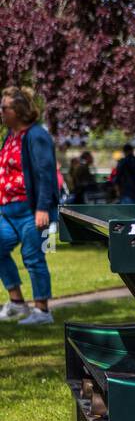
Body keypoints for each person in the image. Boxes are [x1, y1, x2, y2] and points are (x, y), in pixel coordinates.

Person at [0, 86, 58, 325]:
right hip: (7, 209)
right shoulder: (10, 136)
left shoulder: (36, 135)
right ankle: (17, 303)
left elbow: (46, 173)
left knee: (33, 257)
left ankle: (43, 311)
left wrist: (43, 208)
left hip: (31, 209)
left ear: (20, 110)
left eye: (5, 108)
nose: (1, 111)